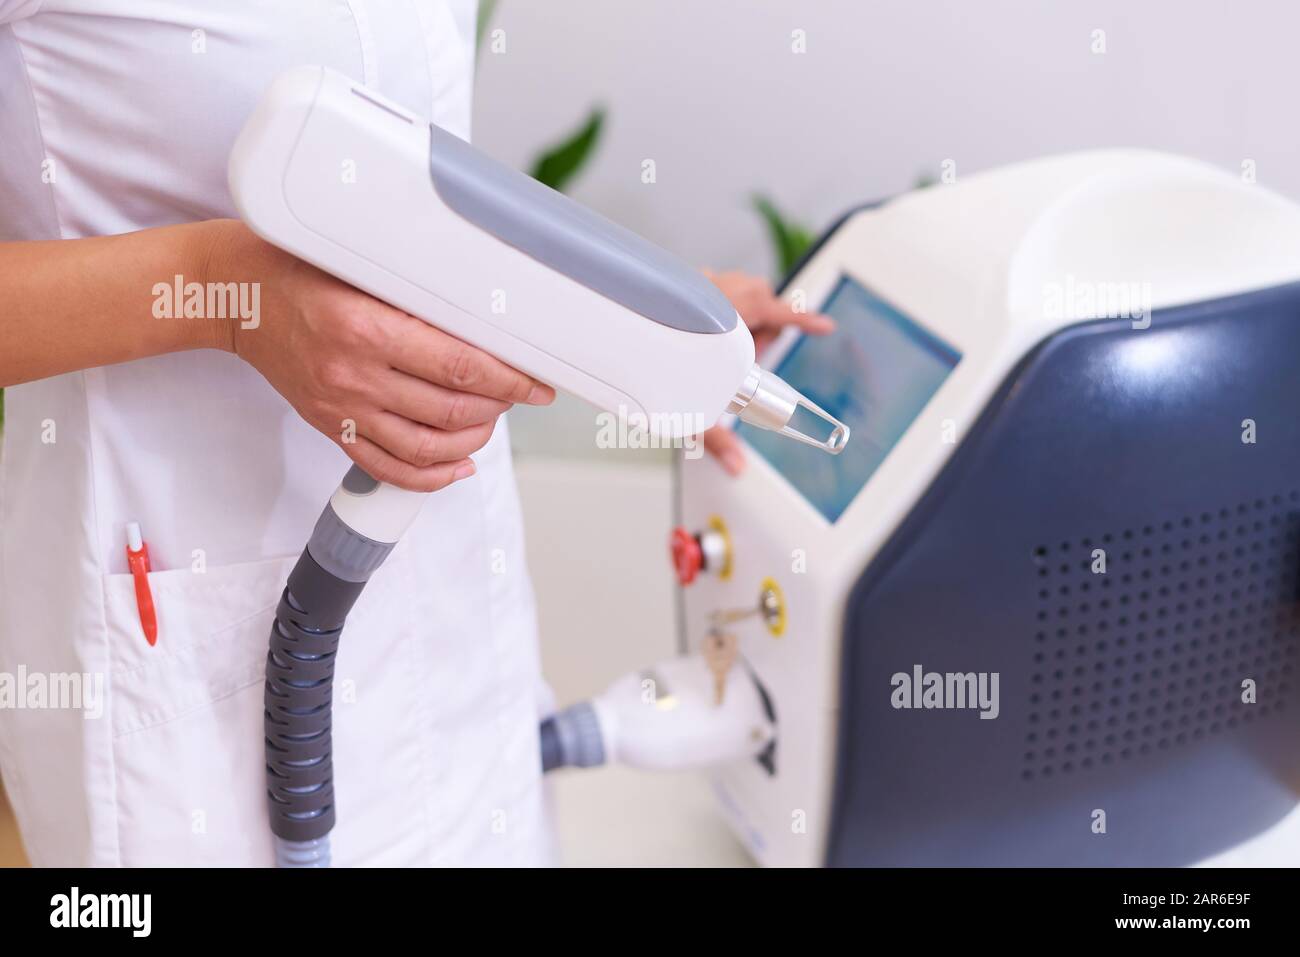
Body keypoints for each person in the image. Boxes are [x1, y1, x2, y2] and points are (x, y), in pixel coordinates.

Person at [0, 1, 829, 866]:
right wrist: (224, 295)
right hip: (190, 670)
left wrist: (618, 316)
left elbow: (392, 161)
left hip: (461, 627)